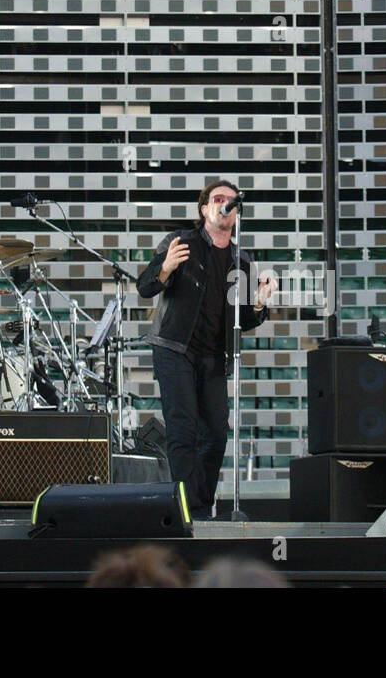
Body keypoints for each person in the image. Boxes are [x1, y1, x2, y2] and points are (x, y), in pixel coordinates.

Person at [137, 180, 277, 520]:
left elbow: (241, 319)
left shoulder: (241, 260)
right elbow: (144, 286)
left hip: (214, 356)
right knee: (183, 430)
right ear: (204, 209)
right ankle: (190, 513)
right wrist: (166, 267)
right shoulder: (179, 242)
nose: (225, 205)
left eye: (231, 201)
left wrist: (258, 305)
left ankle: (201, 504)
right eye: (218, 199)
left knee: (215, 435)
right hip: (174, 349)